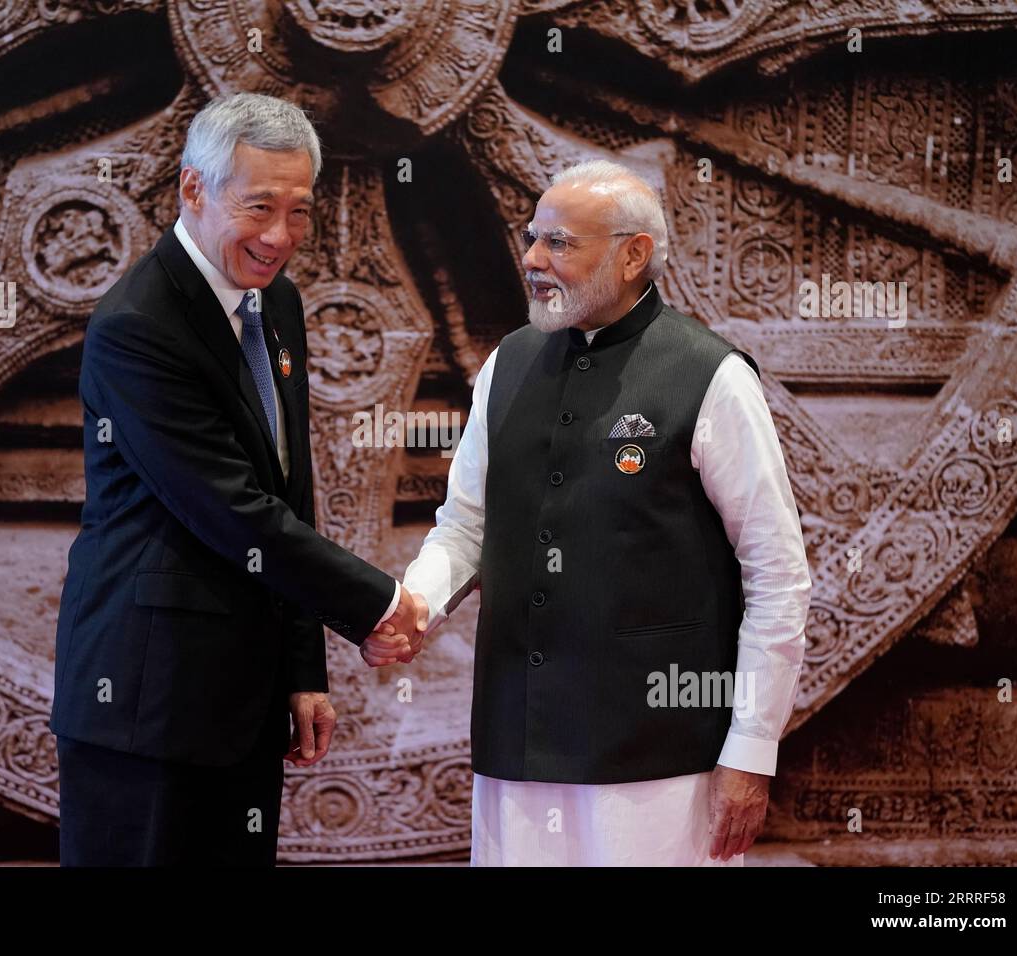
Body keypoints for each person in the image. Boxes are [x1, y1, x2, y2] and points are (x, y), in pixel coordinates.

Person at [387, 160, 812, 865]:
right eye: (532, 239)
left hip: (661, 762)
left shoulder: (712, 376)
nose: (531, 259)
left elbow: (777, 576)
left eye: (558, 243)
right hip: (515, 739)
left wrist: (751, 750)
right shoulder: (507, 364)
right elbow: (465, 527)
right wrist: (416, 604)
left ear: (632, 255)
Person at [50, 92, 424, 867]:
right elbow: (230, 508)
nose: (280, 237)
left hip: (243, 706)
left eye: (299, 211)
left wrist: (302, 668)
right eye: (258, 208)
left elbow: (288, 485)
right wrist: (381, 604)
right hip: (145, 704)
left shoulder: (275, 302)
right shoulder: (137, 326)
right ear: (194, 190)